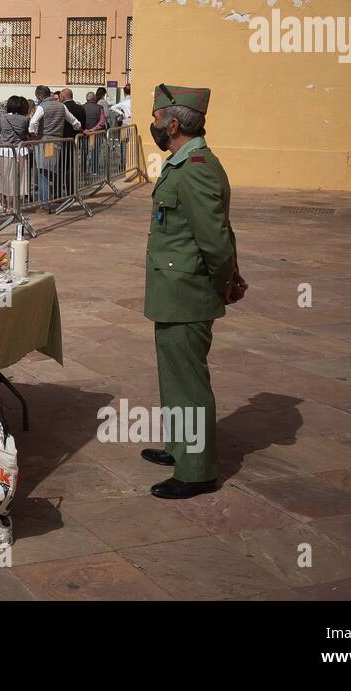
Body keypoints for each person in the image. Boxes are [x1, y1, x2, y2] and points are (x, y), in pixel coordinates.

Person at [142, 84, 246, 499]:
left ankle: (197, 469)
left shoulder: (197, 166)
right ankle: (181, 447)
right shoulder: (184, 161)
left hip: (187, 290)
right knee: (175, 377)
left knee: (188, 384)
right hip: (175, 288)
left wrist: (227, 282)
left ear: (171, 123)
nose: (151, 125)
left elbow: (215, 239)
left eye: (154, 119)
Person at [28, 85, 79, 212]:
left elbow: (33, 122)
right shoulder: (62, 106)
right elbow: (74, 122)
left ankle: (45, 204)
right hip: (57, 143)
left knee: (42, 173)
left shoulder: (42, 107)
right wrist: (80, 130)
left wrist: (33, 135)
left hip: (44, 142)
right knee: (52, 171)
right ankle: (53, 198)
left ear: (40, 96)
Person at [0, 95, 32, 214]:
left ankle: (3, 203)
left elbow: (0, 132)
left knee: (4, 177)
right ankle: (13, 205)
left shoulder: (2, 118)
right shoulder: (25, 120)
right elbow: (26, 134)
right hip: (20, 151)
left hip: (5, 151)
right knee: (17, 178)